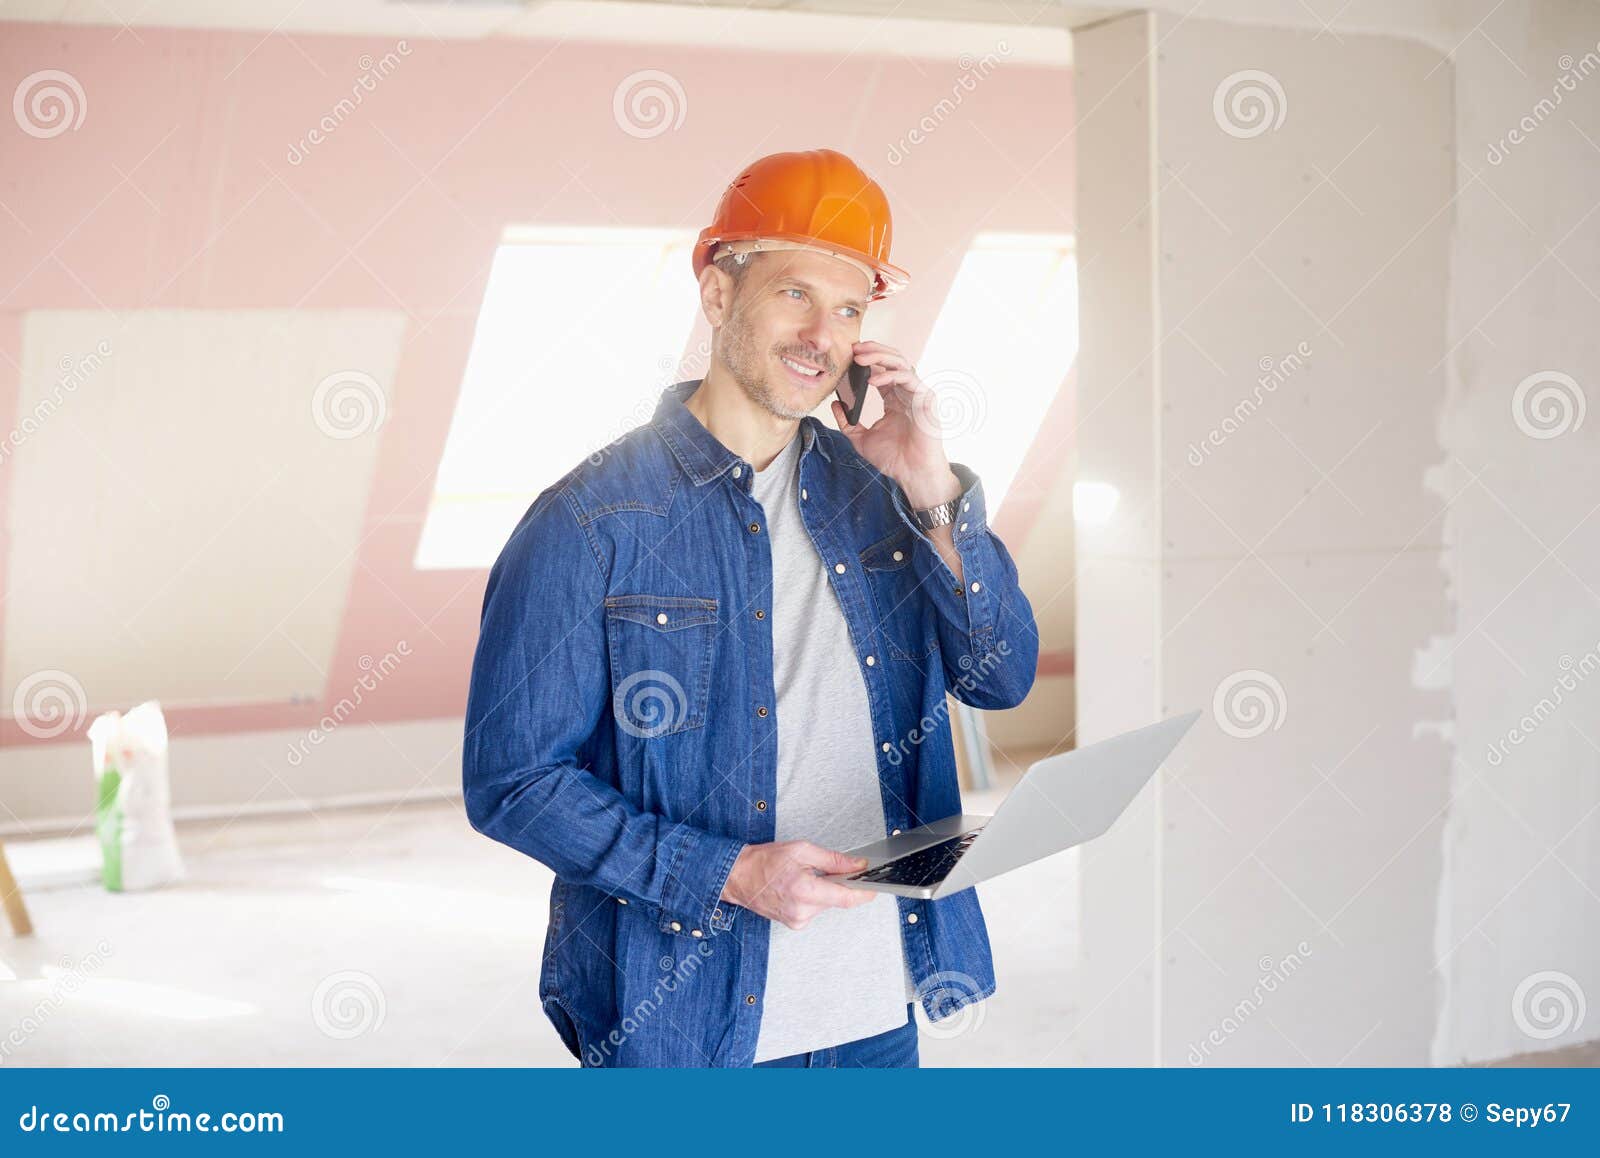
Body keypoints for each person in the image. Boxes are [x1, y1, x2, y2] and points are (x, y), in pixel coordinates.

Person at [463, 148, 1038, 1068]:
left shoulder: (886, 496)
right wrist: (725, 873)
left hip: (876, 1007)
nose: (823, 334)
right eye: (794, 294)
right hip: (691, 1026)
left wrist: (933, 486)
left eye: (849, 308)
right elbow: (513, 784)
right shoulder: (590, 521)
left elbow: (1001, 677)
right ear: (719, 294)